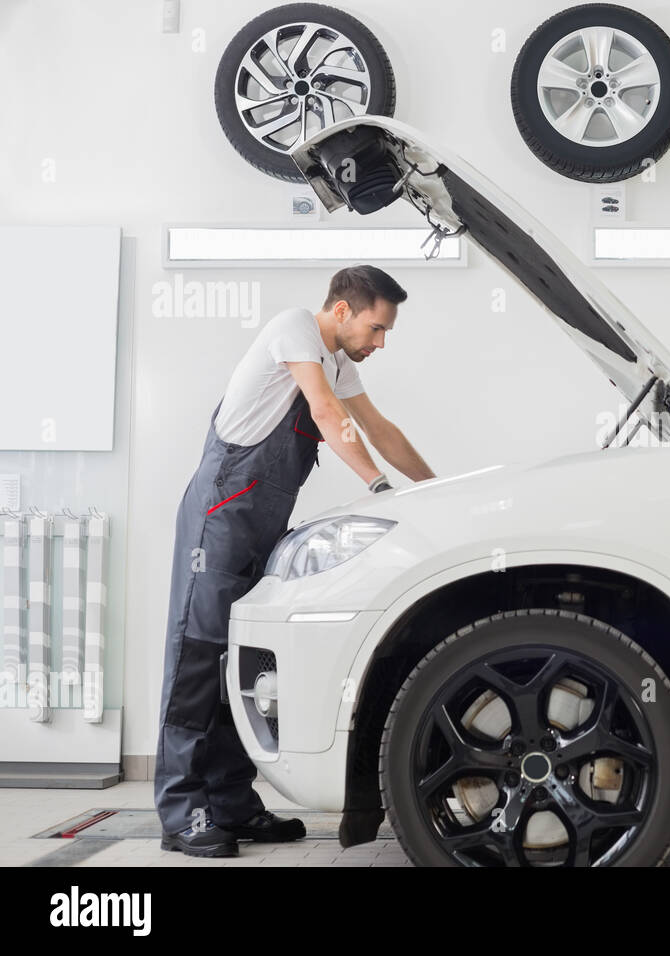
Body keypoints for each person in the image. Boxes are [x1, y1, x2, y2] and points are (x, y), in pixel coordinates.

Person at [154, 264, 435, 857]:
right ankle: (181, 813)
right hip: (221, 516)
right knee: (197, 658)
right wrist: (381, 489)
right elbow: (330, 417)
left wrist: (438, 492)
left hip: (259, 523)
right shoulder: (295, 330)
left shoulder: (338, 362)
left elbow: (379, 429)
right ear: (341, 311)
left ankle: (232, 804)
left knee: (238, 665)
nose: (379, 342)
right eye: (377, 327)